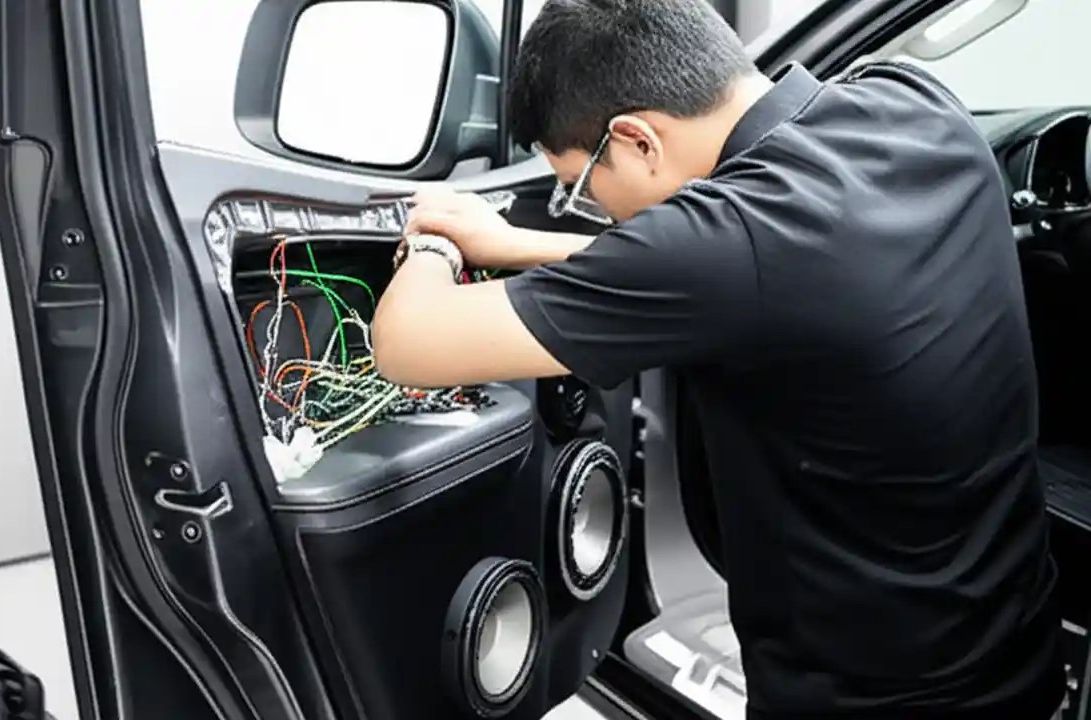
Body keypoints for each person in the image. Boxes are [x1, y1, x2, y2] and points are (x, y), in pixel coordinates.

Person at [371, 0, 1066, 717]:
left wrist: (433, 240)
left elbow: (407, 342)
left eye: (579, 187)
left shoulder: (728, 243)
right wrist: (519, 244)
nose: (592, 212)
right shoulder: (910, 99)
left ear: (638, 140)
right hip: (1020, 658)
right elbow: (741, 273)